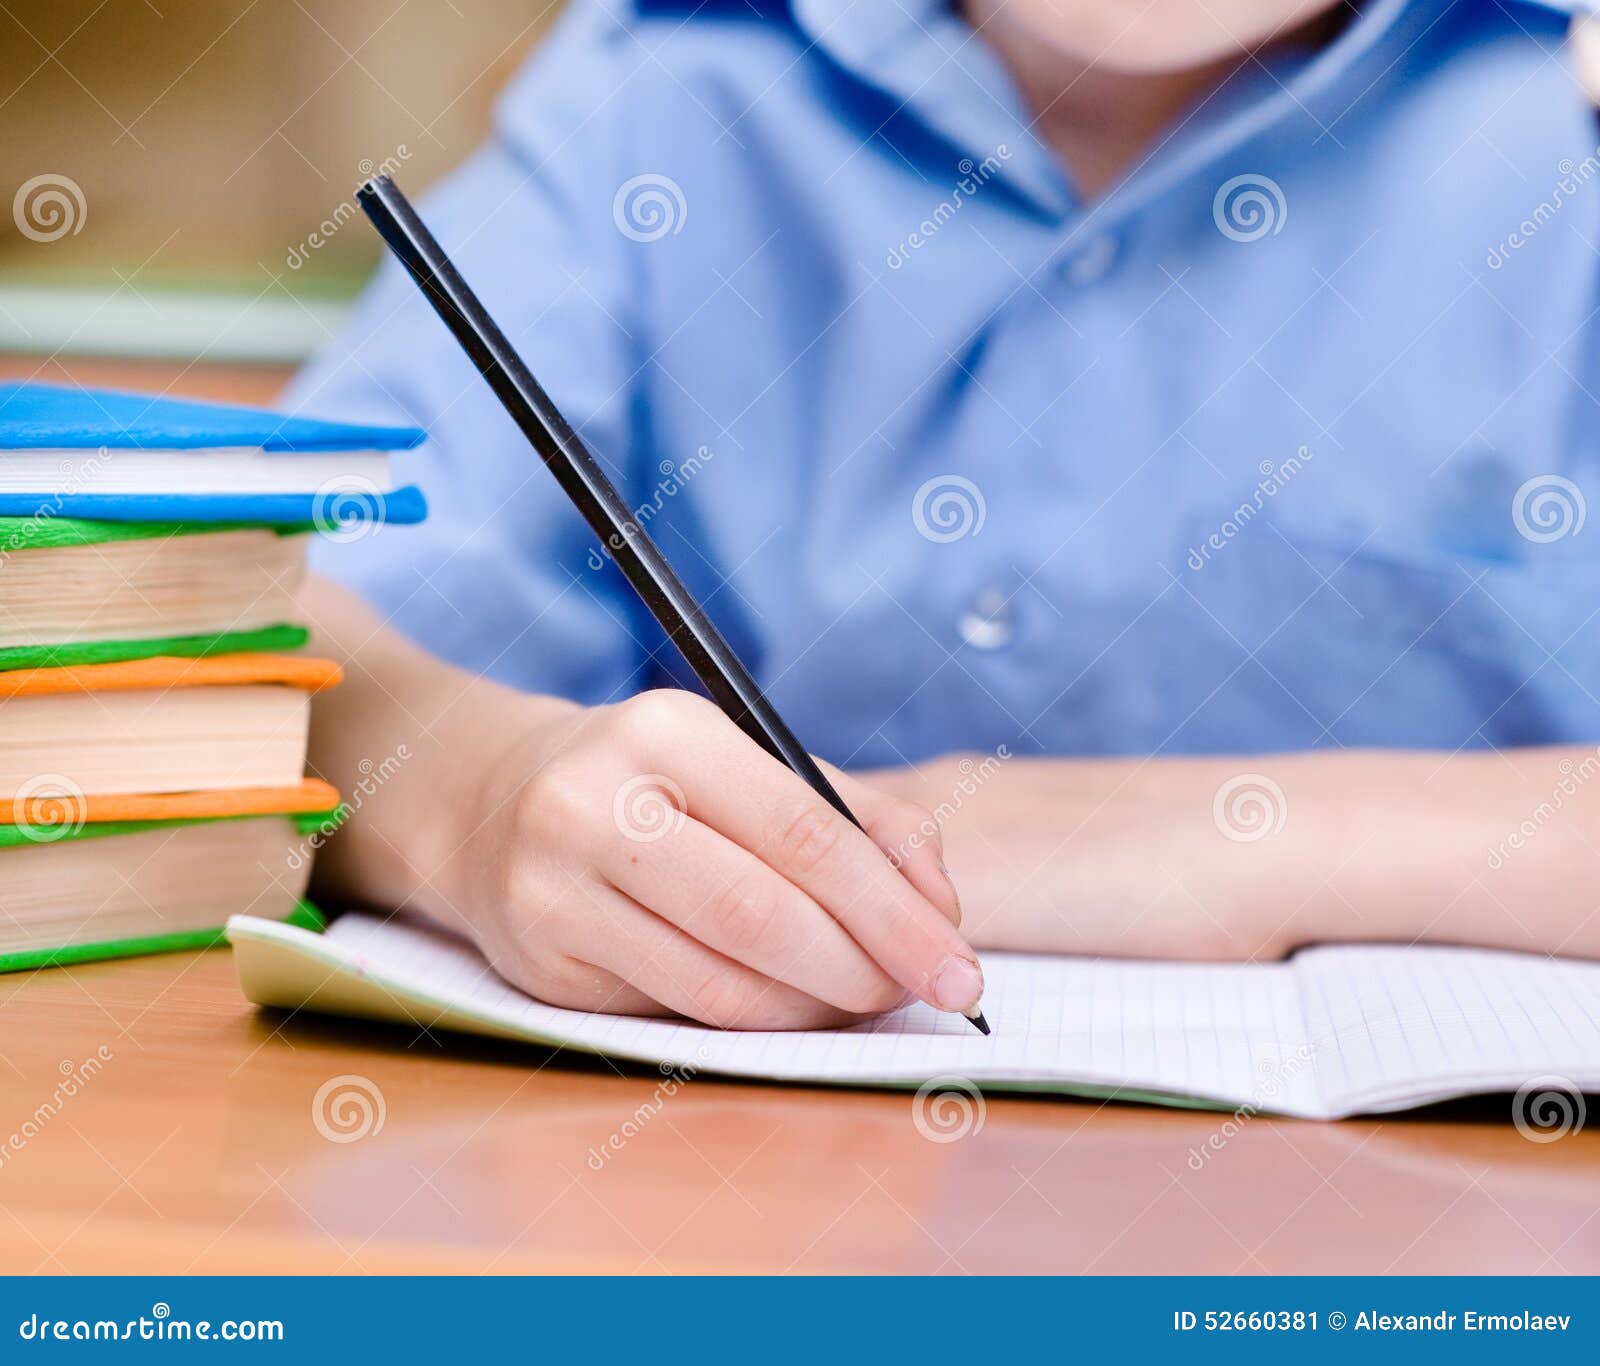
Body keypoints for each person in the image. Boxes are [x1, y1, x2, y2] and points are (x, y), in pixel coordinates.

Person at [288, 0, 1600, 1029]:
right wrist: (475, 794)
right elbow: (286, 617)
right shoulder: (663, 74)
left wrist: (1232, 840)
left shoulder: (1562, 117)